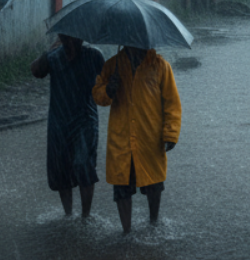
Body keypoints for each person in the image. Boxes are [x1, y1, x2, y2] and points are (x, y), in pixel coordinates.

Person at [93, 45, 182, 233]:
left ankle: (154, 225)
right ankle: (127, 232)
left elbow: (172, 103)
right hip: (121, 138)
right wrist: (109, 89)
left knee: (154, 184)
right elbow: (99, 97)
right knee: (122, 186)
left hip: (150, 138)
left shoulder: (161, 66)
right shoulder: (113, 66)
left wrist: (171, 133)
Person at [31, 34, 105, 218]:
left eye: (74, 39)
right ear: (61, 39)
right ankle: (68, 215)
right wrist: (48, 52)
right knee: (60, 168)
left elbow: (107, 80)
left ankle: (85, 215)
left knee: (84, 166)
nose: (70, 43)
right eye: (66, 39)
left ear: (81, 39)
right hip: (59, 121)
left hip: (85, 120)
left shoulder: (94, 55)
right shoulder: (54, 56)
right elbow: (36, 71)